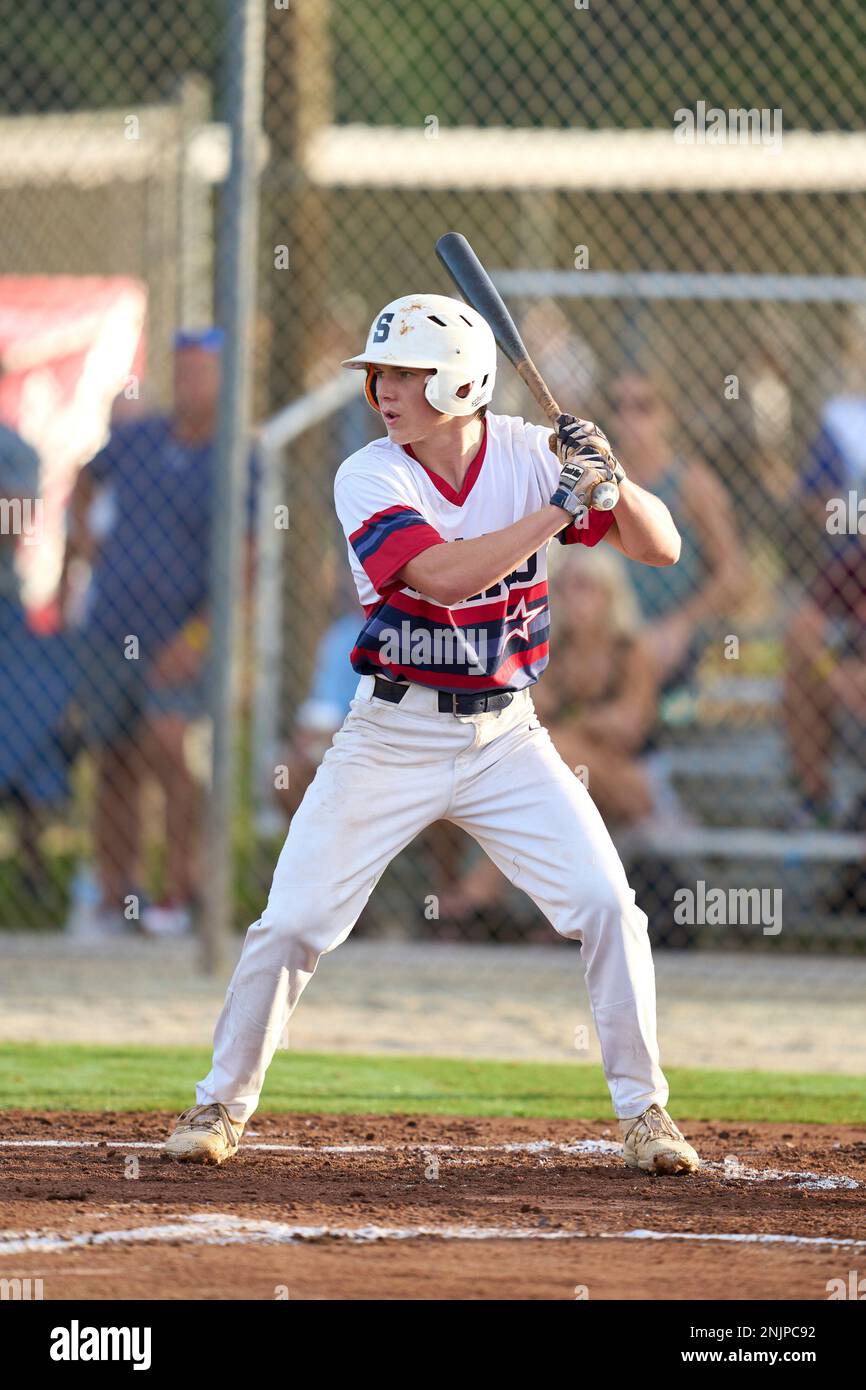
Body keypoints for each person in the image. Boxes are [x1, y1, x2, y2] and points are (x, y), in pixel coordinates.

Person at [163, 293, 700, 1176]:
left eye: (408, 374)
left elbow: (664, 547)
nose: (386, 390)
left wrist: (611, 475)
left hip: (507, 738)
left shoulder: (533, 454)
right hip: (390, 734)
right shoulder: (371, 473)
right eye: (382, 373)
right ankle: (222, 1101)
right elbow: (440, 578)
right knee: (292, 923)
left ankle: (646, 1114)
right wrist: (560, 511)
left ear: (461, 380)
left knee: (609, 907)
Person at [64, 327, 256, 937]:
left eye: (202, 370)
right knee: (113, 759)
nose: (189, 381)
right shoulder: (137, 438)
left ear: (227, 379)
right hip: (111, 627)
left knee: (171, 748)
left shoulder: (237, 456)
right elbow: (83, 478)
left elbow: (246, 560)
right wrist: (83, 543)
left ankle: (180, 893)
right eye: (183, 369)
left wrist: (199, 638)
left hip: (182, 637)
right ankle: (115, 896)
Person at [436, 544, 662, 931]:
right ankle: (530, 911)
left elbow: (629, 727)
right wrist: (584, 724)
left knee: (559, 755)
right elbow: (531, 709)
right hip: (575, 777)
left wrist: (577, 724)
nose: (574, 597)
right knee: (545, 766)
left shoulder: (630, 649)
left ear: (610, 594)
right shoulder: (555, 649)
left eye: (586, 587)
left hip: (635, 779)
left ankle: (480, 893)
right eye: (567, 586)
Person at [610, 370, 747, 684]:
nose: (629, 417)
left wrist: (682, 624)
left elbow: (733, 573)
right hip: (611, 635)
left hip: (671, 637)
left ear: (667, 416)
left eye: (644, 406)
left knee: (643, 660)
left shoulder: (692, 483)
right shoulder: (600, 480)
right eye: (620, 406)